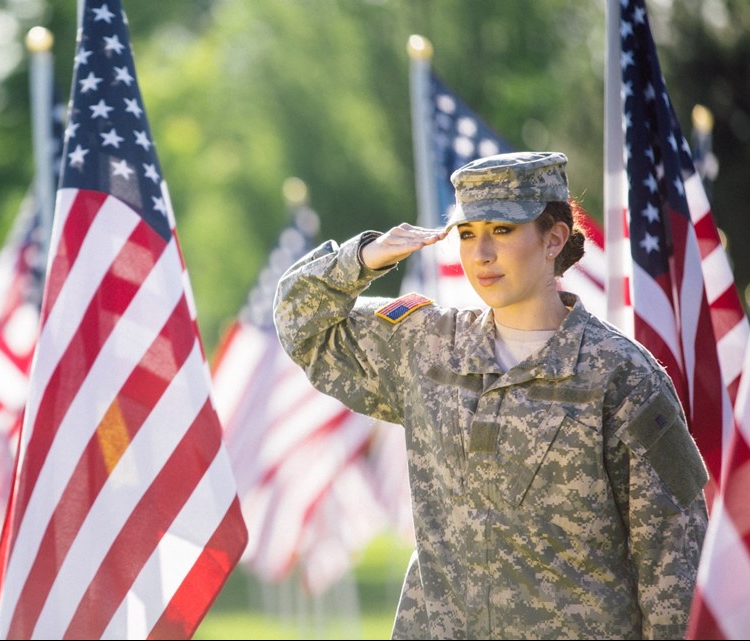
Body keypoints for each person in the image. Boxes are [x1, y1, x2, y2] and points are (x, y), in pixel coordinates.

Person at [272, 151, 709, 640]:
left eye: (501, 230)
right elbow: (301, 323)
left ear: (554, 239)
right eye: (466, 233)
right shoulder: (426, 346)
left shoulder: (621, 374)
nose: (480, 253)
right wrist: (363, 258)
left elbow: (673, 553)